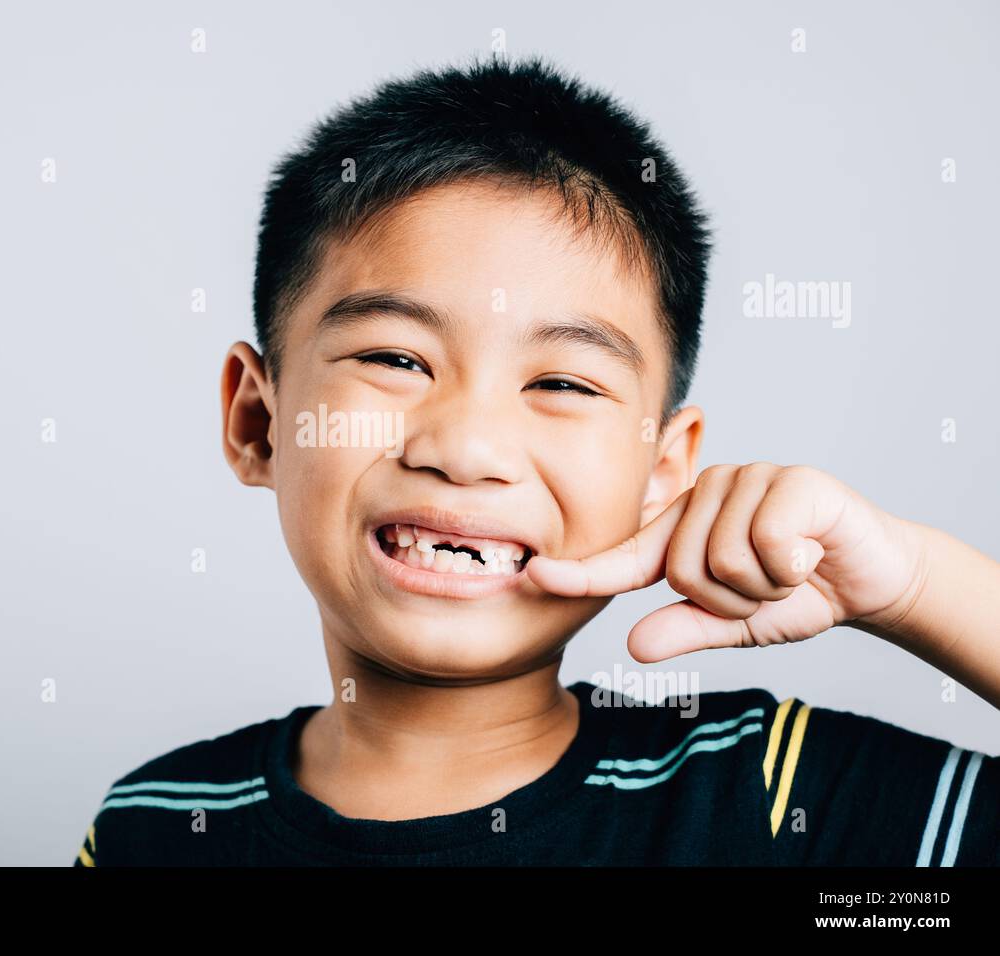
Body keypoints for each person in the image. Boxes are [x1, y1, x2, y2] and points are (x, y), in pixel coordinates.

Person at [75, 53, 1000, 866]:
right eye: (396, 359)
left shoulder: (779, 795)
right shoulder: (156, 826)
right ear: (257, 422)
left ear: (663, 470)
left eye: (563, 382)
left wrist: (916, 586)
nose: (469, 449)